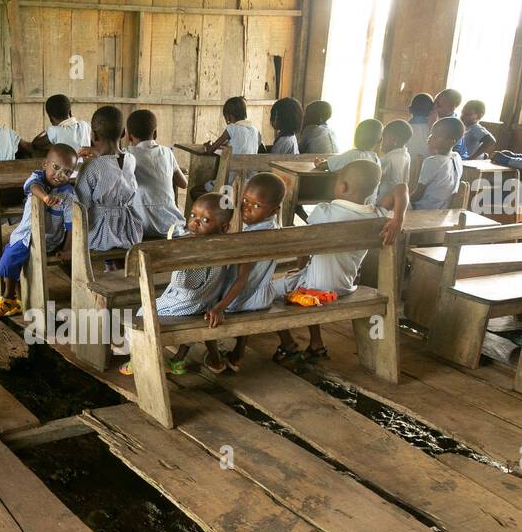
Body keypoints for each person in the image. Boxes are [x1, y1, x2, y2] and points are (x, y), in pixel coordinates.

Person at [271, 159, 385, 364]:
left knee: (266, 293)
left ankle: (287, 344)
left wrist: (300, 266)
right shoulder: (378, 215)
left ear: (343, 186)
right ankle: (316, 344)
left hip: (319, 289)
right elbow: (400, 191)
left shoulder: (324, 212)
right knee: (308, 280)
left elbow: (303, 246)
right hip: (344, 285)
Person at [119, 192, 231, 376]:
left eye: (205, 220)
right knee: (192, 321)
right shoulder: (225, 245)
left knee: (141, 314)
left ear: (223, 226)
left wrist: (177, 257)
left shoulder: (193, 250)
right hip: (207, 303)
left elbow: (183, 284)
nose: (195, 222)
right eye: (193, 215)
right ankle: (178, 360)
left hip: (187, 304)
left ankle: (137, 359)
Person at [0, 144, 78, 318]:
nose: (60, 175)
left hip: (49, 239)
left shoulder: (67, 194)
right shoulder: (37, 178)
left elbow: (71, 224)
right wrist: (44, 197)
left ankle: (8, 298)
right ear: (45, 165)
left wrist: (67, 248)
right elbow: (33, 186)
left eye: (67, 172)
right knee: (10, 251)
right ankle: (16, 297)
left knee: (11, 254)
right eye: (56, 168)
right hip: (27, 233)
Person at [207, 172, 286, 371]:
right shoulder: (274, 229)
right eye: (244, 201)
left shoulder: (251, 239)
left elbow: (241, 281)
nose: (246, 209)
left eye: (256, 205)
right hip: (262, 297)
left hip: (237, 299)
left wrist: (220, 307)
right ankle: (238, 353)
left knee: (203, 301)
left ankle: (215, 358)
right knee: (251, 287)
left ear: (275, 210)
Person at [74, 105, 146, 260]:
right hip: (128, 232)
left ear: (93, 135)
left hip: (100, 235)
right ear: (123, 133)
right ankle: (111, 266)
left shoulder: (91, 167)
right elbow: (110, 164)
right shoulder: (130, 159)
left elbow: (80, 207)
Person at [125, 109, 186, 238]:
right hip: (170, 229)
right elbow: (183, 183)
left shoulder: (127, 155)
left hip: (141, 229)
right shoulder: (167, 153)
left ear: (129, 136)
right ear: (156, 133)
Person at [411, 116, 464, 210]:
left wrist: (401, 200)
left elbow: (417, 196)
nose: (429, 138)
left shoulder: (433, 161)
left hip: (424, 210)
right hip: (443, 209)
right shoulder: (457, 157)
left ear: (451, 142)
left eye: (435, 136)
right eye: (431, 134)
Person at [378, 119, 413, 200]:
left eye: (384, 138)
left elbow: (374, 179)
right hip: (401, 199)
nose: (380, 142)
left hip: (385, 201)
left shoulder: (388, 159)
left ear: (393, 140)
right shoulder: (406, 155)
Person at [406, 93, 435, 159]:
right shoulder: (432, 130)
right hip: (425, 166)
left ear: (410, 109)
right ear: (431, 111)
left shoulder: (403, 128)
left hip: (406, 165)